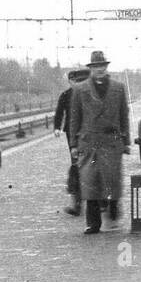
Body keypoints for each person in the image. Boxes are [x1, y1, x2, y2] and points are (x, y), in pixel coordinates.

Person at [68, 51, 131, 235]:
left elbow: (123, 115)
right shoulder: (80, 90)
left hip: (111, 142)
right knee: (90, 183)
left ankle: (113, 213)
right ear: (91, 69)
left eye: (102, 66)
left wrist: (126, 140)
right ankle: (92, 223)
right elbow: (74, 119)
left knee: (112, 180)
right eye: (96, 67)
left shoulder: (118, 88)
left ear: (107, 67)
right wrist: (73, 144)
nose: (100, 70)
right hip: (89, 143)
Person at [54, 69, 89, 216]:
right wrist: (57, 127)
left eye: (78, 81)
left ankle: (100, 202)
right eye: (73, 81)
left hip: (89, 134)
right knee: (76, 166)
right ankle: (77, 204)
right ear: (70, 81)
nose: (76, 84)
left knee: (91, 165)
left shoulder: (89, 95)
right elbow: (59, 112)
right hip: (73, 135)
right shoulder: (66, 95)